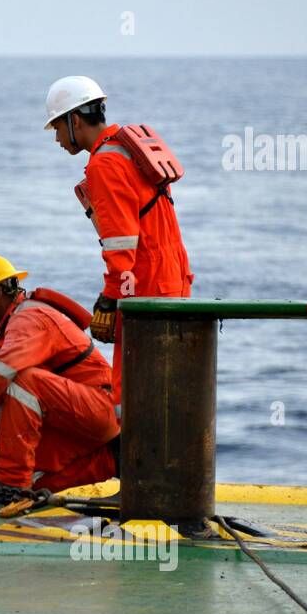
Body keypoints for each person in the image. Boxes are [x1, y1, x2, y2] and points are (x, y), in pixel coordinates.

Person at [43, 76, 193, 403]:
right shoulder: (125, 150)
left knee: (132, 392)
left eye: (56, 127)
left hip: (147, 292)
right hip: (173, 282)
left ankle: (133, 453)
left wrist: (110, 300)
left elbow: (121, 244)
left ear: (75, 121)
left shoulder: (105, 163)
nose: (56, 138)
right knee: (164, 386)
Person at [0, 254, 119, 492]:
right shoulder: (14, 327)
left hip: (97, 410)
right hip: (80, 418)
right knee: (37, 487)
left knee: (20, 380)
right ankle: (114, 460)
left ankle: (10, 480)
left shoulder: (30, 319)